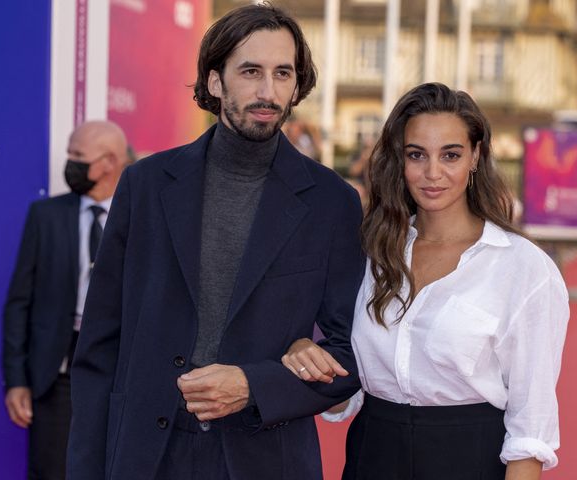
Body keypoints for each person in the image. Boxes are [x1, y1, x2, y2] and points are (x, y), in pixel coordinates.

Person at [65, 4, 365, 480]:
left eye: (282, 73)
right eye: (250, 71)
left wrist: (253, 384)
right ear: (214, 81)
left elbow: (352, 354)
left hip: (265, 457)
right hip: (147, 456)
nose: (268, 92)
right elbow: (99, 348)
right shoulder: (144, 186)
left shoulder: (333, 203)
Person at [282, 83, 570, 480]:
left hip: (471, 461)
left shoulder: (523, 268)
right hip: (372, 457)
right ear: (399, 162)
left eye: (450, 154)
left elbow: (530, 429)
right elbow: (345, 389)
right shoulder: (371, 253)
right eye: (416, 155)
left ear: (476, 156)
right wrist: (306, 356)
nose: (433, 173)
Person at [1, 120, 129, 480]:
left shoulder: (141, 215)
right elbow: (18, 303)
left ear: (107, 162)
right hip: (56, 377)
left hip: (118, 374)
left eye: (77, 155)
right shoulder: (45, 216)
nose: (68, 162)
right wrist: (16, 380)